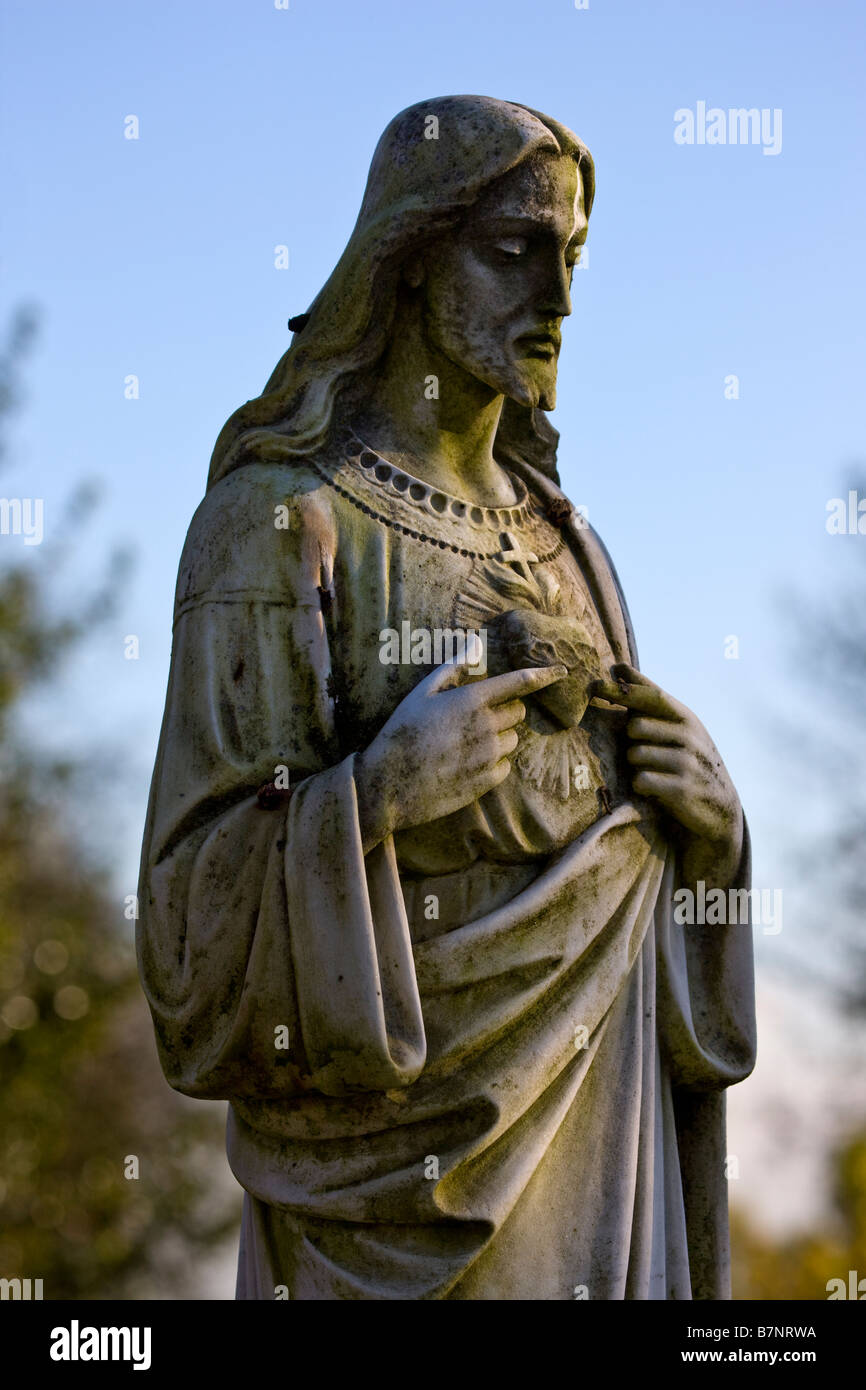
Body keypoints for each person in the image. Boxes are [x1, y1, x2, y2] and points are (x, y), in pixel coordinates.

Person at [137, 94, 756, 1300]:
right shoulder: (281, 522)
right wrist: (371, 801)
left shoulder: (574, 548)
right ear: (410, 258)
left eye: (570, 256)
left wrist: (714, 846)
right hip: (380, 1207)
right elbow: (183, 938)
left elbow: (632, 912)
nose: (558, 299)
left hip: (603, 1160)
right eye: (514, 250)